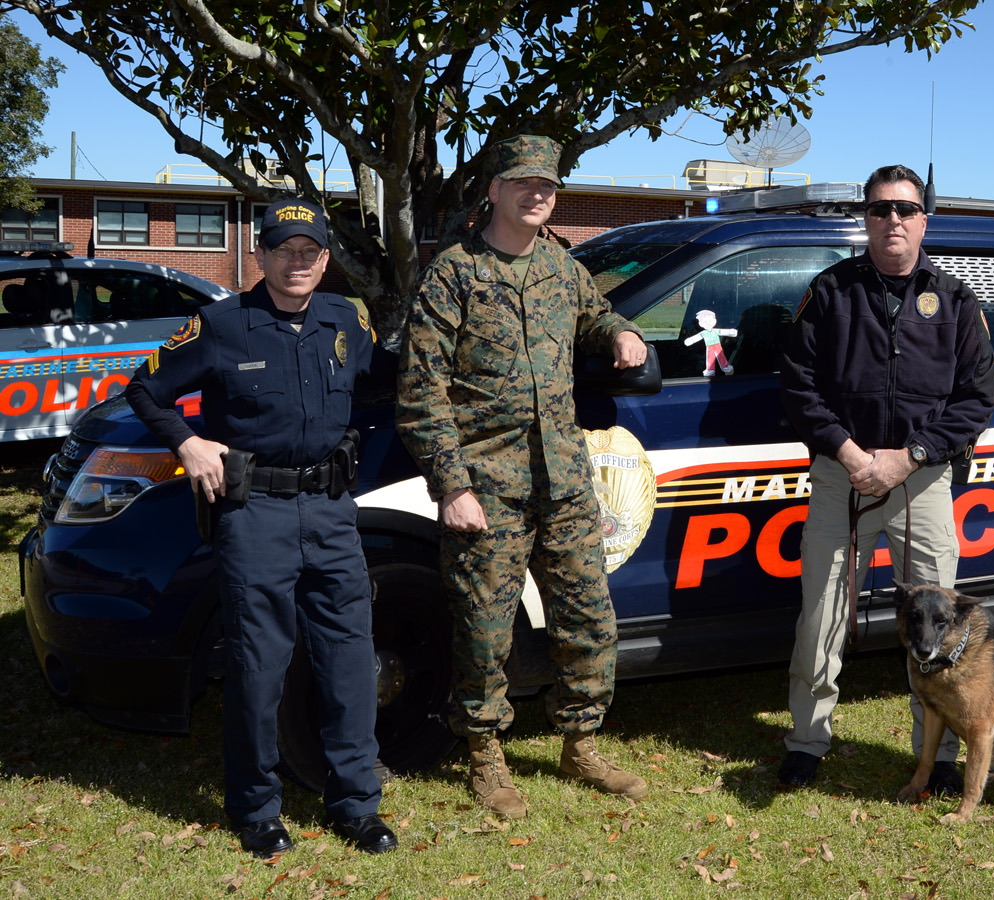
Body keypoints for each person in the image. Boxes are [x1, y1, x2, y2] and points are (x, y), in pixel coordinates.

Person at [124, 199, 396, 856]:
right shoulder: (219, 325)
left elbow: (382, 383)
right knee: (259, 664)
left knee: (350, 658)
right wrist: (187, 445)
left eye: (309, 251)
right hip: (256, 515)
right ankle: (256, 808)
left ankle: (356, 804)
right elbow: (144, 392)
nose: (297, 262)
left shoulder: (347, 318)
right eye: (284, 250)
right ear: (262, 256)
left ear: (325, 258)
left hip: (332, 511)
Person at [396, 134, 650, 820]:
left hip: (564, 482)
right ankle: (484, 754)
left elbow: (596, 315)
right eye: (523, 183)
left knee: (589, 620)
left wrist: (622, 332)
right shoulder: (455, 272)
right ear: (495, 191)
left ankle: (582, 742)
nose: (538, 193)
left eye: (548, 184)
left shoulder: (561, 267)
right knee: (485, 629)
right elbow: (422, 392)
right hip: (489, 486)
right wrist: (453, 486)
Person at [777, 164, 994, 789]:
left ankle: (942, 756)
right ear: (865, 219)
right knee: (821, 612)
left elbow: (976, 399)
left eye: (904, 209)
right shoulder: (830, 292)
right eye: (880, 210)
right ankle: (806, 741)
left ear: (924, 220)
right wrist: (849, 453)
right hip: (841, 475)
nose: (892, 220)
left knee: (939, 622)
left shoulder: (954, 300)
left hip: (921, 478)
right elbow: (799, 388)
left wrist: (912, 455)